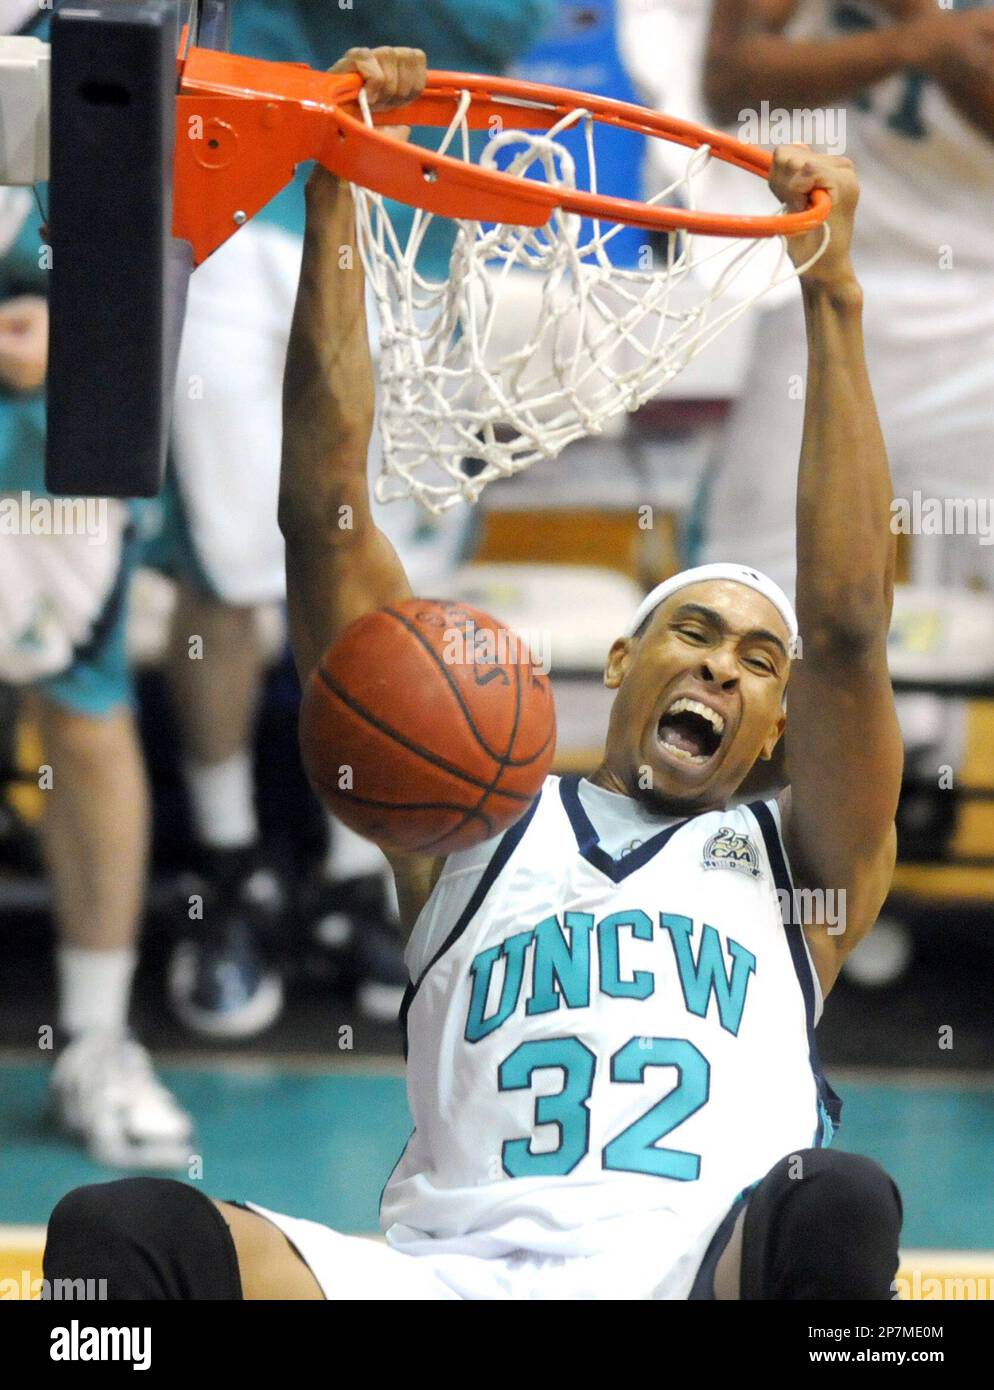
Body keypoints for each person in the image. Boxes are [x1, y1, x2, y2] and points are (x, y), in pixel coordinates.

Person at [44, 48, 904, 1301]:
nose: (721, 664)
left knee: (840, 1208)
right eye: (695, 632)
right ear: (622, 658)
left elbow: (851, 623)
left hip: (692, 1279)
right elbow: (326, 520)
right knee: (116, 1241)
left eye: (757, 662)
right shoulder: (464, 815)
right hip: (449, 1282)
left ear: (778, 725)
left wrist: (833, 299)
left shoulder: (805, 868)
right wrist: (335, 181)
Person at [158, 0, 557, 1037]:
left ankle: (363, 871)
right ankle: (231, 867)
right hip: (233, 190)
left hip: (417, 231)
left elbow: (504, 26)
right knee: (235, 563)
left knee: (395, 593)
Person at [0, 3, 192, 1167]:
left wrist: (83, 331)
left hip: (59, 422)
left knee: (85, 707)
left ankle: (96, 1040)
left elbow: (164, 199)